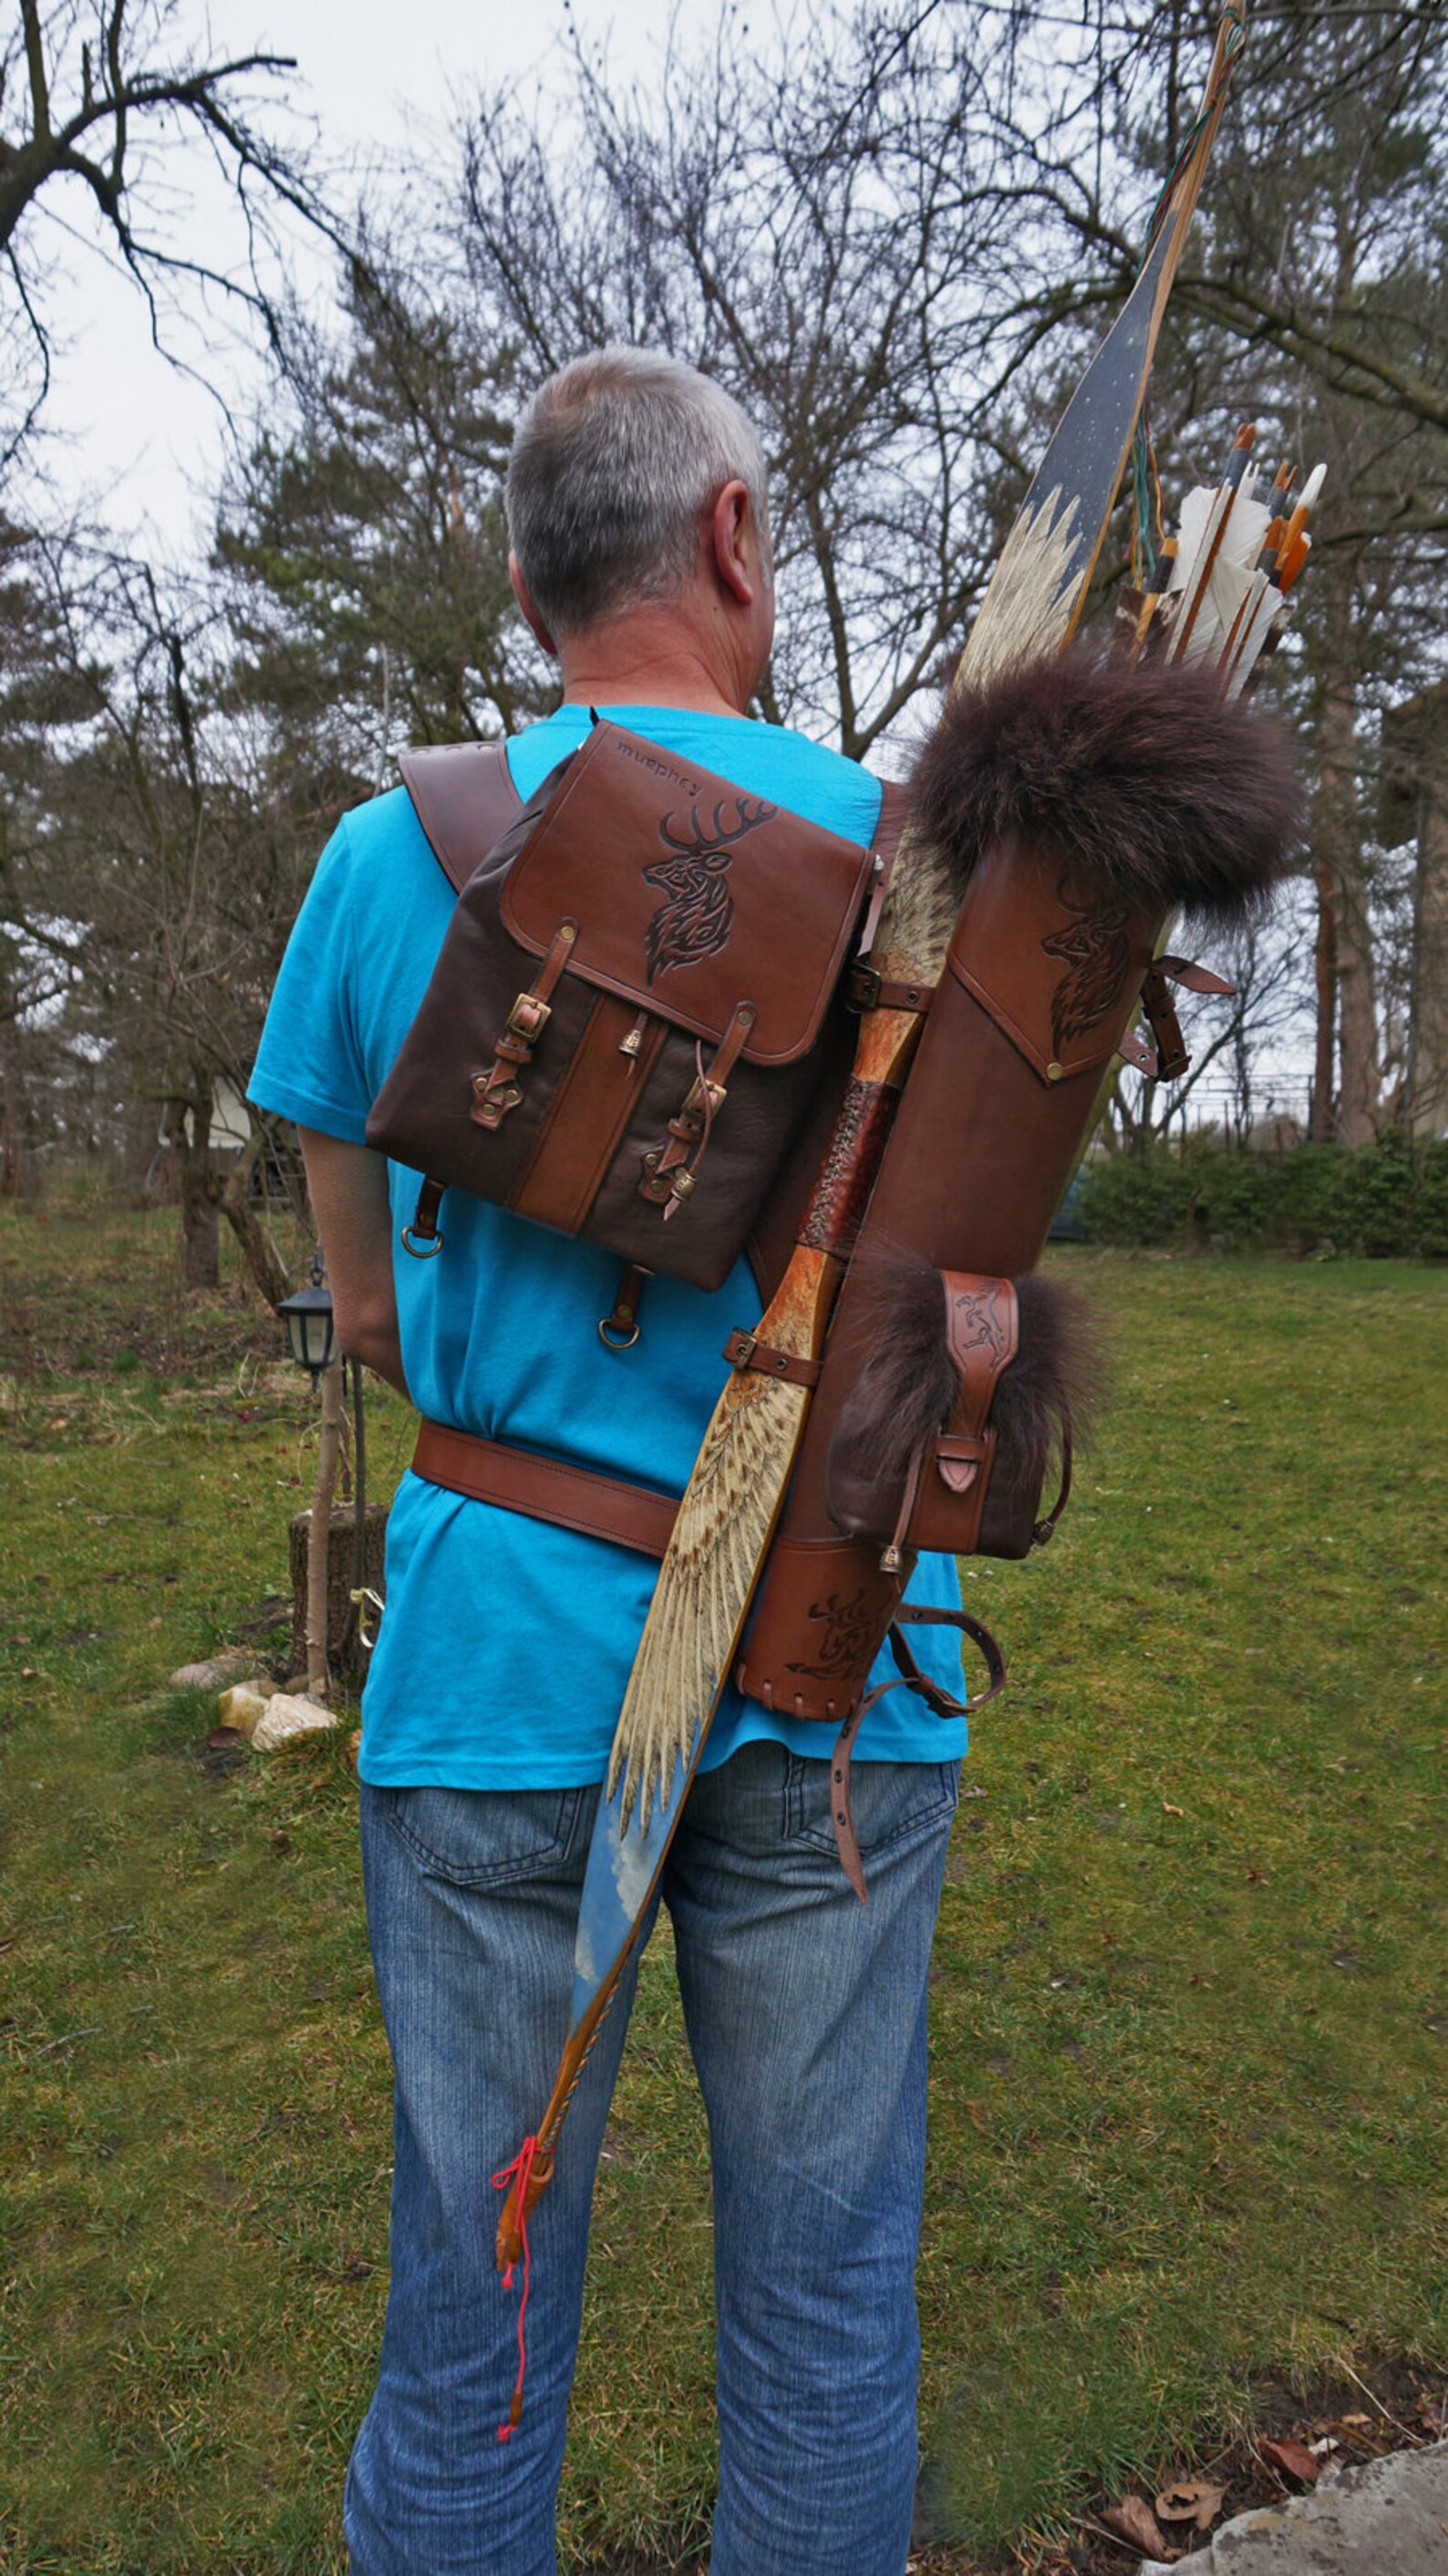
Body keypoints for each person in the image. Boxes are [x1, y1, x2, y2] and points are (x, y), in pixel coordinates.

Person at [250, 347, 969, 2576]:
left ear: (523, 574)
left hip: (497, 1663)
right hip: (832, 1658)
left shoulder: (395, 858)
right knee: (827, 2305)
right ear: (737, 539)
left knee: (473, 2319)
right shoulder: (911, 871)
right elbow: (955, 1292)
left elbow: (367, 1318)